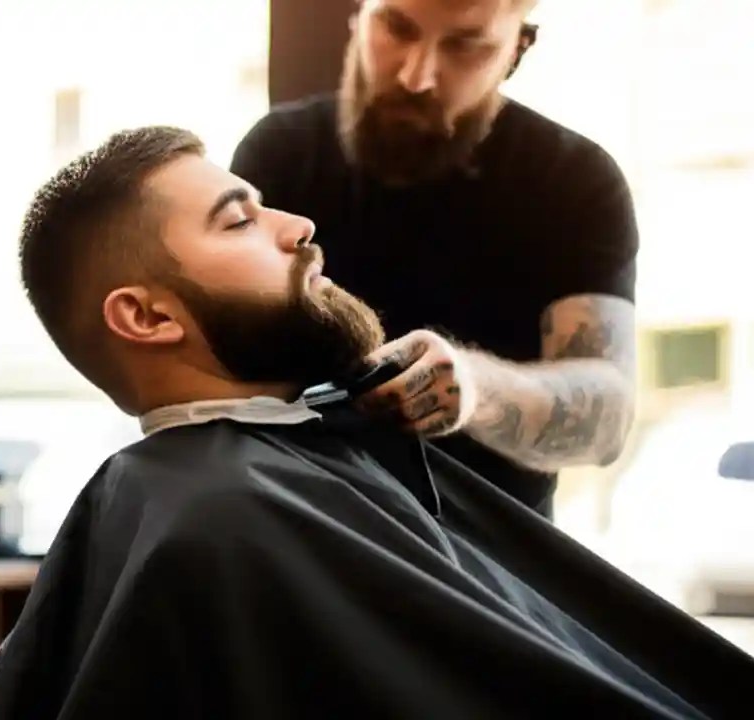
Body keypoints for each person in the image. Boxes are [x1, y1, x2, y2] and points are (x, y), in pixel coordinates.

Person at [0, 126, 753, 719]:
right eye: (238, 221)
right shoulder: (220, 524)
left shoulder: (265, 479)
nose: (299, 225)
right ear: (145, 315)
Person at [230, 0, 638, 519]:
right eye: (396, 28)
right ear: (359, 15)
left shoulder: (574, 182)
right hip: (304, 537)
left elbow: (606, 420)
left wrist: (476, 390)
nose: (415, 75)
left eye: (465, 46)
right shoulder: (279, 154)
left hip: (485, 571)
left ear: (518, 49)